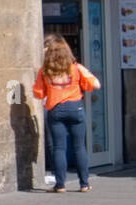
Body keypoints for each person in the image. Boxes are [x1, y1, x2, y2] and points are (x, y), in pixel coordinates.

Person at [32, 34, 100, 192]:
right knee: (79, 147)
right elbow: (96, 84)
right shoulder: (75, 68)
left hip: (56, 110)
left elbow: (38, 94)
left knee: (59, 147)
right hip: (76, 108)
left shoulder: (45, 71)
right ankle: (84, 184)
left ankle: (60, 185)